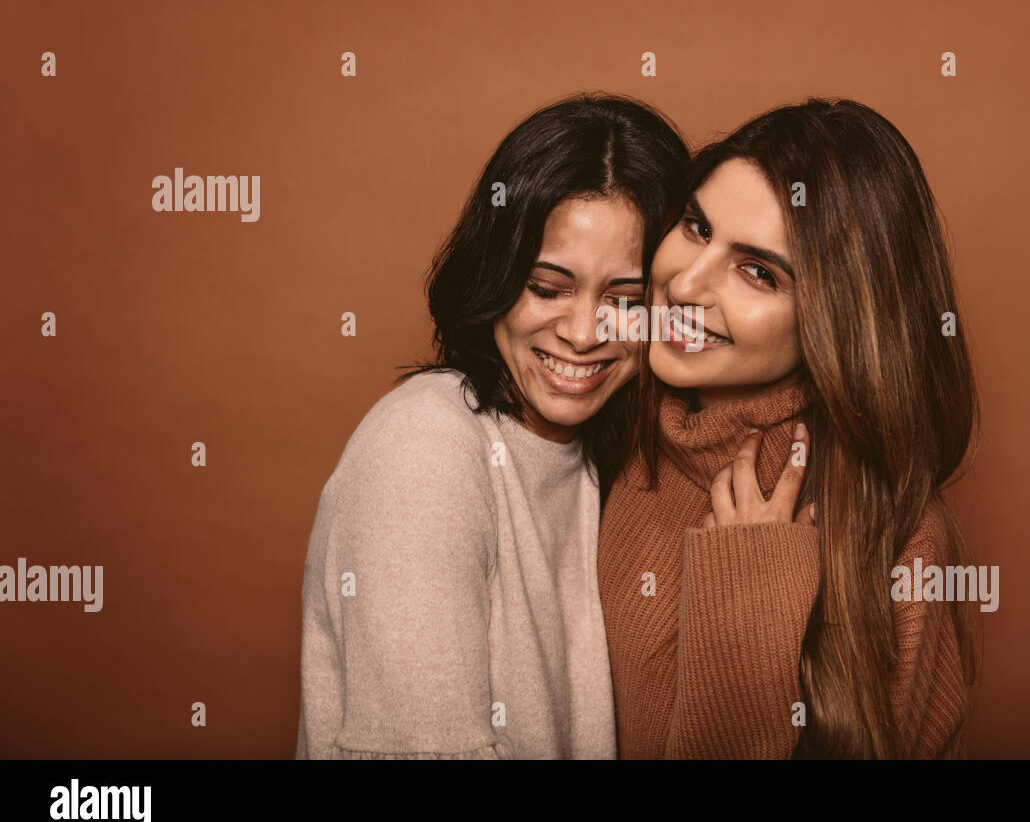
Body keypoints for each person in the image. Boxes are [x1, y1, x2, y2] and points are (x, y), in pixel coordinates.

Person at [295, 93, 690, 758]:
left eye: (624, 301)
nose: (584, 333)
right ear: (495, 275)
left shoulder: (610, 459)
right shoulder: (424, 443)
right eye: (546, 286)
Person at [599, 97, 982, 759]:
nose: (685, 283)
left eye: (758, 272)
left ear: (836, 320)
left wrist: (747, 592)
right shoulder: (629, 439)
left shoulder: (894, 529)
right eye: (695, 226)